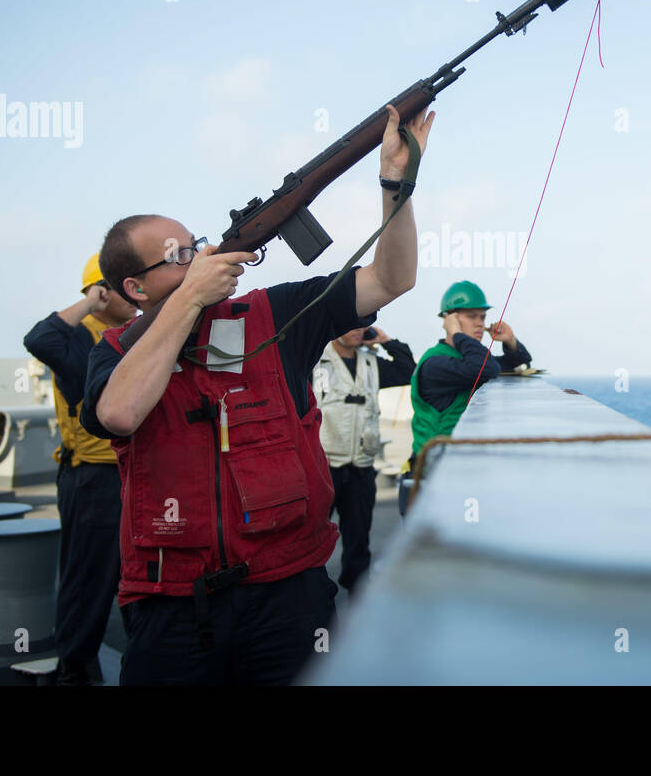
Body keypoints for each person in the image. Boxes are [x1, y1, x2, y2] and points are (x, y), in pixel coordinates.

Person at [80, 103, 434, 685]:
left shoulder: (272, 313)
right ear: (135, 288)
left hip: (289, 592)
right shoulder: (116, 352)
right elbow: (119, 413)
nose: (196, 258)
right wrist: (190, 300)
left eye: (193, 244)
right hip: (172, 605)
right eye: (176, 259)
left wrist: (396, 185)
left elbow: (390, 279)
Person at [22, 253, 138, 685]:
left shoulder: (131, 334)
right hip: (94, 478)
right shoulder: (78, 339)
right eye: (123, 288)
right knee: (88, 576)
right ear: (104, 291)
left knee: (140, 573)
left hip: (134, 472)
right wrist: (90, 301)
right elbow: (40, 339)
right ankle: (75, 667)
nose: (135, 295)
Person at [402, 280, 532, 515]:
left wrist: (510, 341)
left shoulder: (460, 360)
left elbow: (515, 364)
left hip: (452, 468)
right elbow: (486, 369)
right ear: (450, 318)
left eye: (482, 317)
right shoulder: (436, 363)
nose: (481, 324)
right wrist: (456, 334)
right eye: (472, 316)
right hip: (431, 474)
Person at [313, 326, 415, 594]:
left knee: (359, 539)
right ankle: (312, 593)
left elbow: (407, 370)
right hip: (323, 467)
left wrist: (386, 341)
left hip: (361, 465)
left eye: (363, 325)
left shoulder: (372, 362)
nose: (358, 330)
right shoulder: (314, 359)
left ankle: (357, 595)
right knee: (312, 539)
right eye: (351, 323)